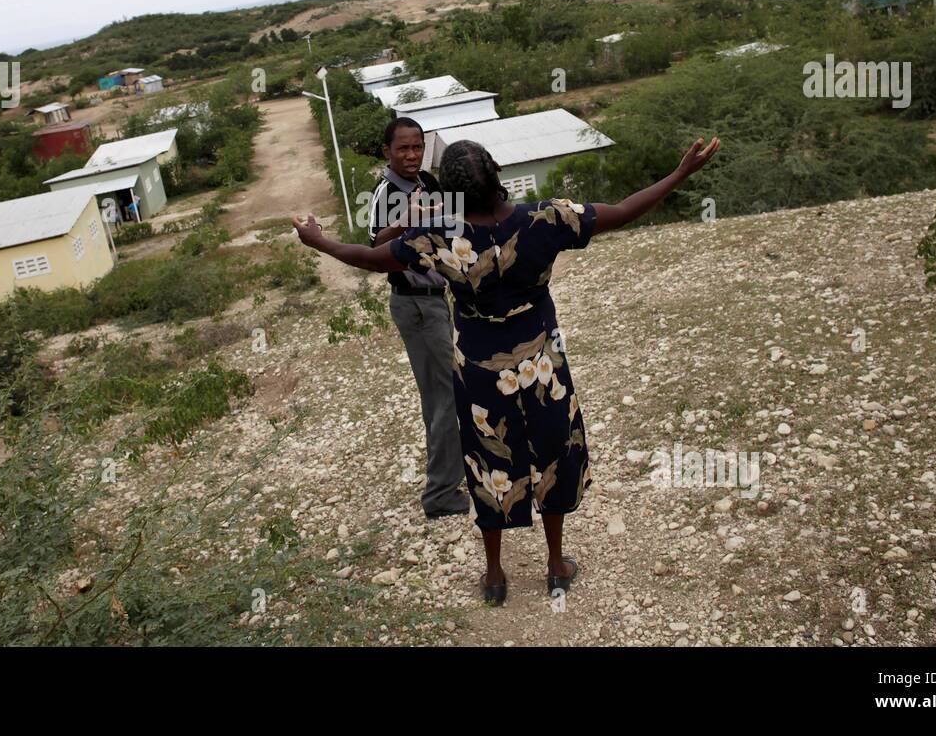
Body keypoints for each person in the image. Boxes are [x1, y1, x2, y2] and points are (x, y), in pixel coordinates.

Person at [293, 134, 720, 605]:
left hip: (479, 372)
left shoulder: (440, 239)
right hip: (542, 365)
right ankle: (556, 565)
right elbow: (622, 211)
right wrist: (679, 174)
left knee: (488, 465)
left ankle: (495, 575)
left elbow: (371, 259)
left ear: (448, 191)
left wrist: (318, 241)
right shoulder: (545, 218)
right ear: (497, 173)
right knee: (553, 456)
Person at [367, 117, 470, 519]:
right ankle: (441, 493)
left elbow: (457, 219)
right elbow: (374, 245)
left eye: (417, 147)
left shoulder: (428, 181)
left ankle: (451, 477)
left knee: (443, 394)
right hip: (415, 303)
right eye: (403, 149)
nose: (411, 156)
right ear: (387, 152)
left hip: (436, 299)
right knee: (446, 396)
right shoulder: (387, 191)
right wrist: (403, 222)